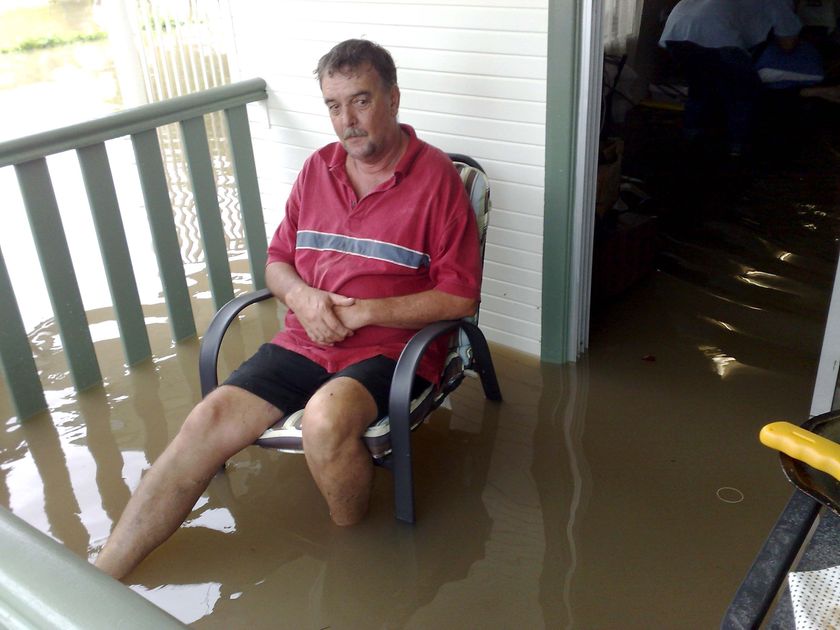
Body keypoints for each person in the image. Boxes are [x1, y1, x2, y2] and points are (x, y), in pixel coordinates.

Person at [94, 39, 482, 580]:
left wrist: (364, 313)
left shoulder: (437, 181)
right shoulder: (315, 171)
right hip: (306, 338)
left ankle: (352, 561)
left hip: (391, 347)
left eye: (361, 100)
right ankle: (100, 576)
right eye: (332, 105)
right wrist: (301, 296)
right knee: (206, 418)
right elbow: (277, 262)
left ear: (393, 99)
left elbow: (460, 296)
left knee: (325, 421)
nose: (346, 120)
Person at [659, 0, 802, 155]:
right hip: (718, 37)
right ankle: (737, 147)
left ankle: (690, 138)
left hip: (676, 34)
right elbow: (788, 44)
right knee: (743, 94)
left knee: (699, 86)